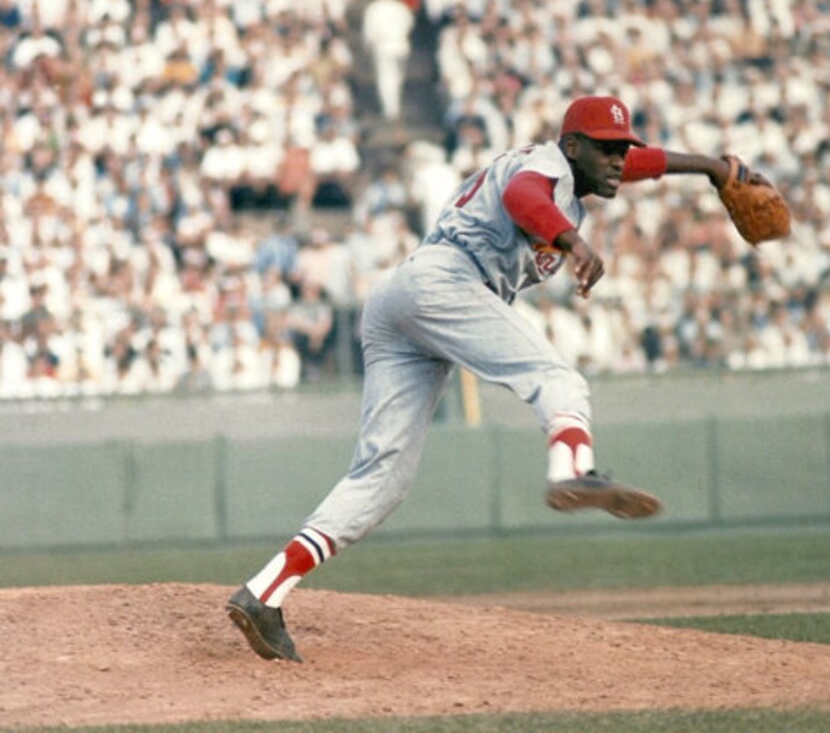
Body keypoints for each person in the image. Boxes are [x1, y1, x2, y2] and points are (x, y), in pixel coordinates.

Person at [226, 95, 771, 661]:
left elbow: (633, 165)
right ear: (573, 146)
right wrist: (574, 241)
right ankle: (574, 472)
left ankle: (265, 593)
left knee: (383, 477)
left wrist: (708, 167)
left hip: (404, 299)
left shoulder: (573, 167)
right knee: (558, 379)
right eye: (605, 149)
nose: (617, 160)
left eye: (622, 149)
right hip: (446, 281)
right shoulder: (545, 169)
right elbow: (521, 197)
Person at [361, 0, 415, 121]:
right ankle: (394, 106)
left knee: (386, 78)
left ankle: (391, 110)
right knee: (397, 77)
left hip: (383, 47)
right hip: (401, 46)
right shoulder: (401, 7)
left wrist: (368, 46)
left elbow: (369, 32)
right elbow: (409, 24)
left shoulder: (374, 8)